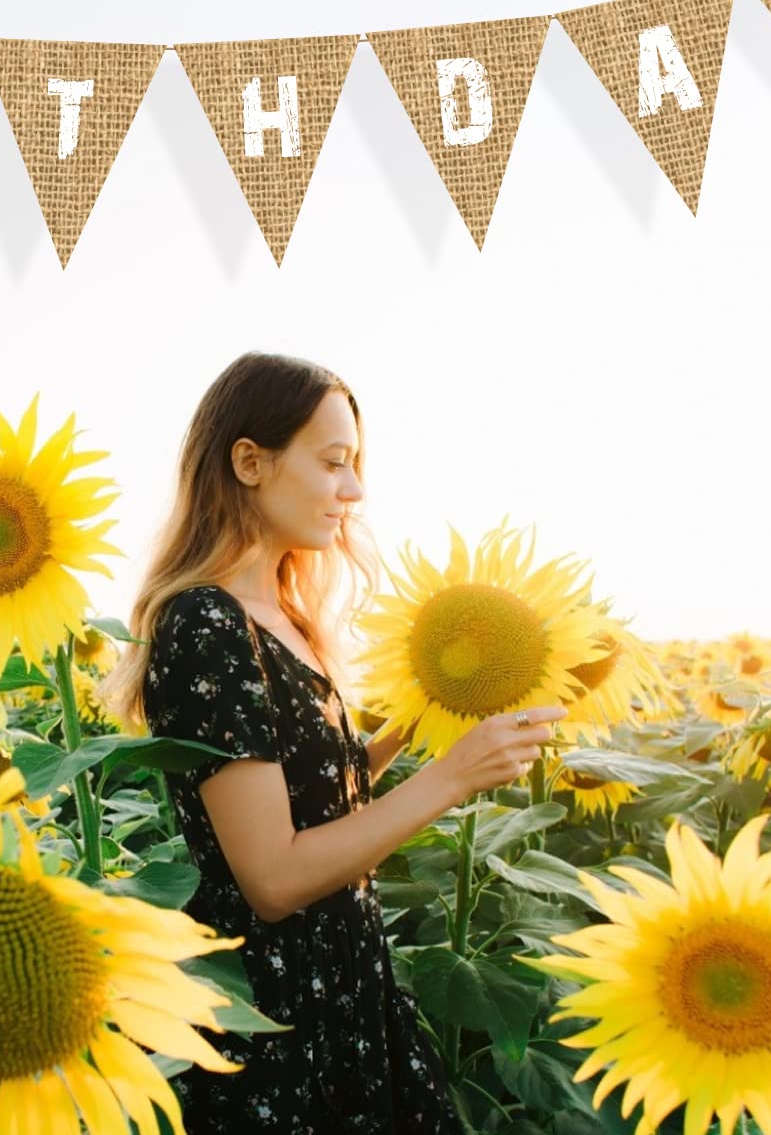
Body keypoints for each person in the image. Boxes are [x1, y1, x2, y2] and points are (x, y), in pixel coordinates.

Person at [99, 351, 567, 1134]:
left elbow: (316, 794)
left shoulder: (284, 615)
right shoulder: (209, 627)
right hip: (281, 1023)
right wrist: (451, 777)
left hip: (348, 988)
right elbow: (274, 876)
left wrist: (422, 717)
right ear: (250, 461)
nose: (354, 490)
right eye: (334, 462)